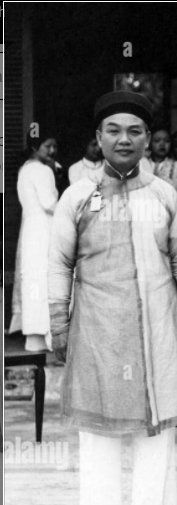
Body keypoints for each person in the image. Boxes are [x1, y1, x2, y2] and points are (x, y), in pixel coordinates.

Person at [48, 91, 177, 505]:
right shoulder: (77, 195)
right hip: (97, 327)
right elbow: (58, 264)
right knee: (99, 430)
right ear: (98, 137)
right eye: (114, 130)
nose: (124, 139)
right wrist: (57, 324)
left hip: (157, 323)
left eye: (134, 131)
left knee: (156, 427)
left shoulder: (164, 194)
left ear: (148, 139)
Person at [10, 134, 60, 352]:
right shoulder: (43, 170)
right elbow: (50, 203)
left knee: (33, 280)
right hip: (45, 229)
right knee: (45, 278)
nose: (52, 151)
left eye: (54, 147)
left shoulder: (25, 170)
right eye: (48, 146)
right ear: (34, 147)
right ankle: (48, 335)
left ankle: (34, 337)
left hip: (30, 231)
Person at [149, 127, 177, 206]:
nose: (162, 144)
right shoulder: (141, 164)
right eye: (157, 141)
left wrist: (168, 207)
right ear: (149, 142)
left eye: (166, 141)